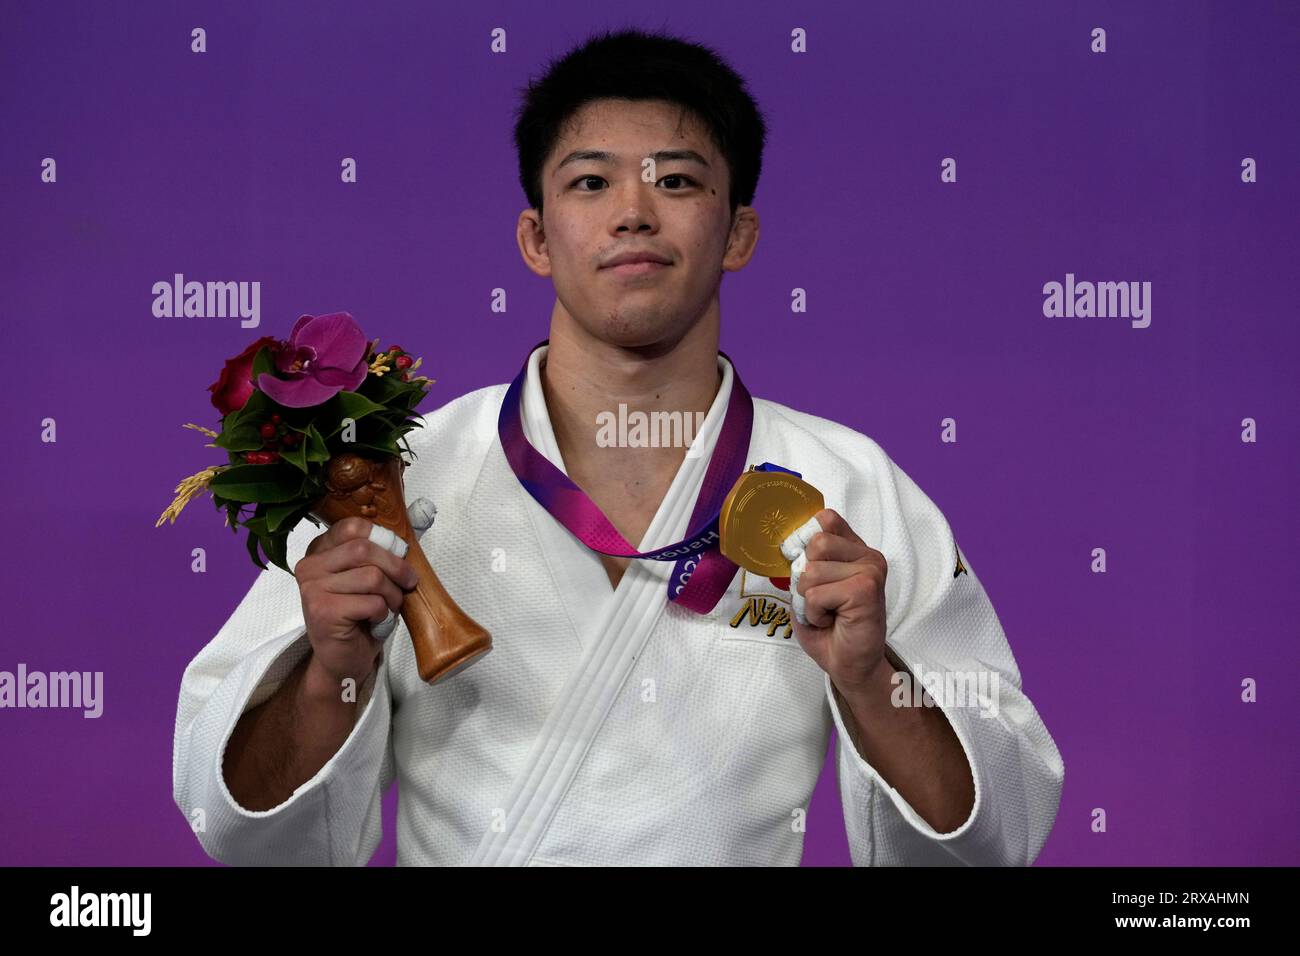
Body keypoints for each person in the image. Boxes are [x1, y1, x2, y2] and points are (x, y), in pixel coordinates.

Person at [172, 28, 1063, 866]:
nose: (633, 213)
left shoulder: (845, 488)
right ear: (535, 237)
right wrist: (330, 669)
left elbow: (998, 829)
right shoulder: (399, 480)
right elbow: (239, 825)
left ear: (739, 233)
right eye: (591, 183)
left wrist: (873, 679)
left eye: (676, 181)